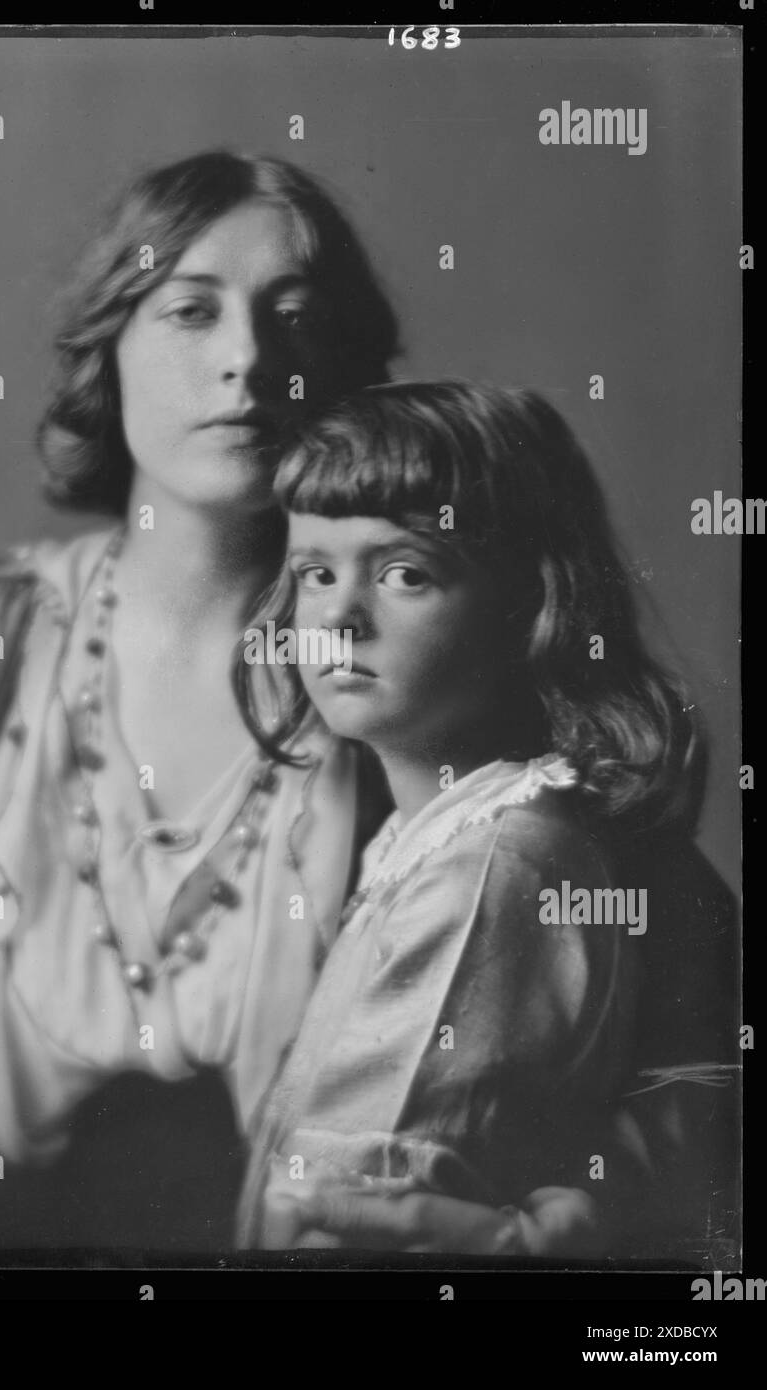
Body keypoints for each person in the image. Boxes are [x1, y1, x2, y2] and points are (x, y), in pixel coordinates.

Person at [0, 152, 701, 1262]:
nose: (246, 360)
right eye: (190, 312)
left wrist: (580, 1211)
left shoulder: (443, 691)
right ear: (107, 344)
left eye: (293, 319)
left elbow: (701, 1043)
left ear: (346, 369)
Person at [235, 381, 740, 1256]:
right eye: (317, 571)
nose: (340, 617)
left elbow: (356, 1209)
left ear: (527, 607)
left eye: (404, 574)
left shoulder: (498, 863)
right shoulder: (431, 840)